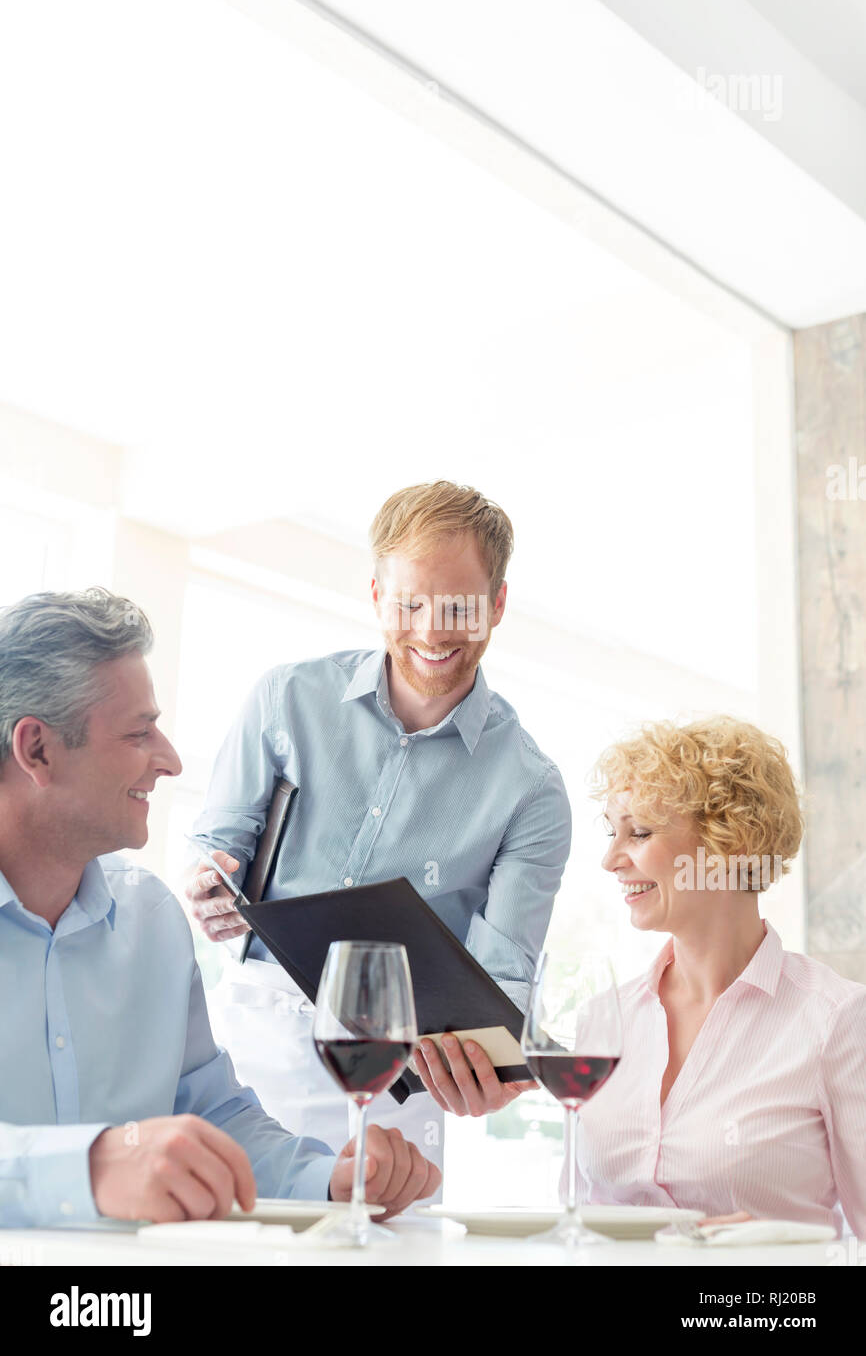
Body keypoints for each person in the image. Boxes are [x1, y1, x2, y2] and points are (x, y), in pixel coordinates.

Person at [0, 588, 440, 1226]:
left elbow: (211, 1112)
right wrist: (90, 1168)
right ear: (36, 749)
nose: (171, 760)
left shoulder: (151, 918)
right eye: (137, 732)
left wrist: (326, 1181)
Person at [186, 481, 572, 1180]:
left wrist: (490, 1064)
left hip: (402, 1080)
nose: (430, 631)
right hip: (256, 1053)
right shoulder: (286, 700)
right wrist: (208, 882)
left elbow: (503, 976)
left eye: (458, 605)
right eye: (408, 603)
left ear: (500, 604)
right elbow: (216, 846)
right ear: (374, 595)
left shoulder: (532, 790)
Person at [574, 715, 866, 1236]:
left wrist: (782, 1245)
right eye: (612, 833)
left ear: (729, 843)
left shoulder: (837, 1020)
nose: (610, 860)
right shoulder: (604, 1018)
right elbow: (575, 1221)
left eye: (639, 833)